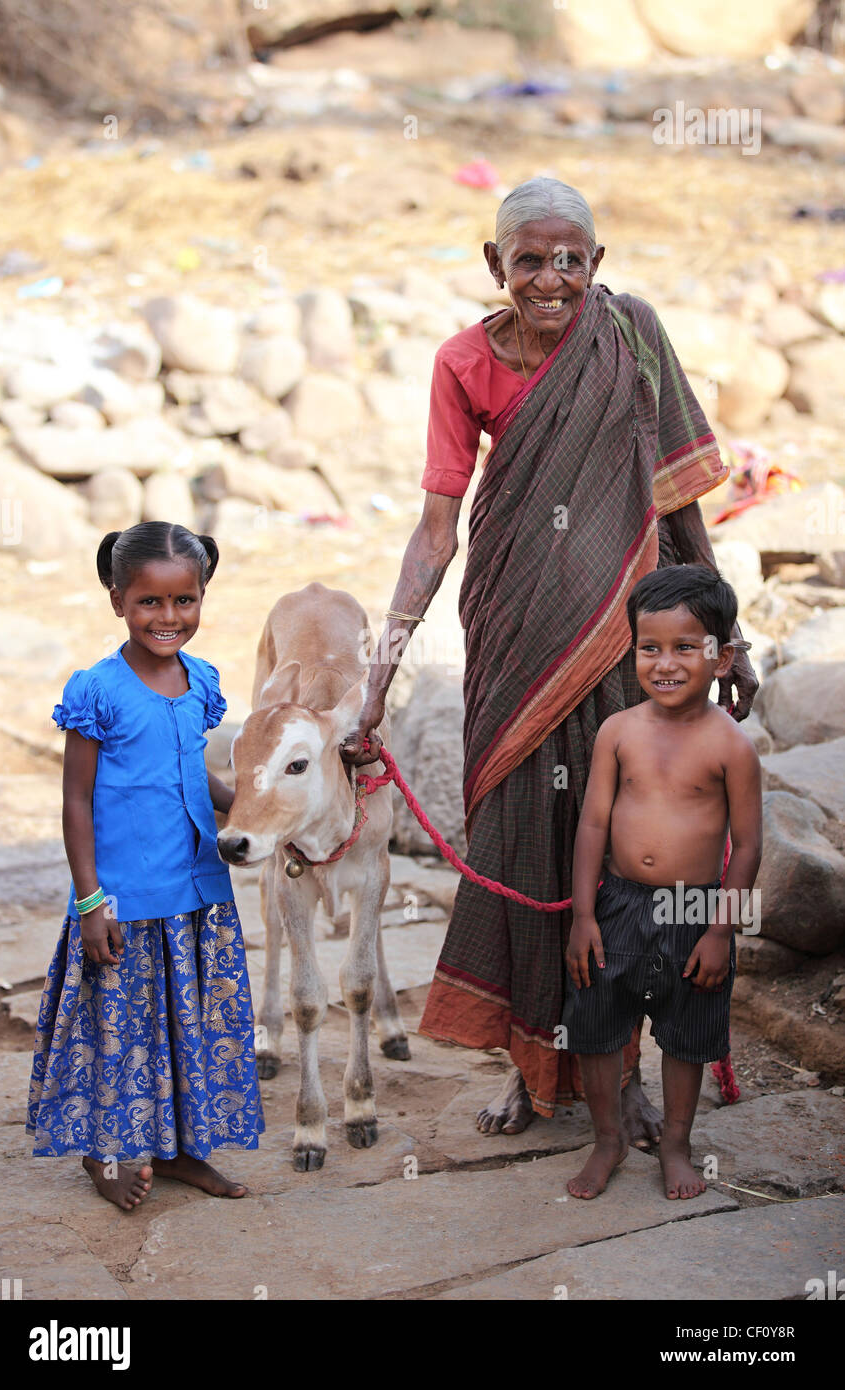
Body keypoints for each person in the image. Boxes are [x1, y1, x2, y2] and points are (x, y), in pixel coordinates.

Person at [341, 176, 758, 1142]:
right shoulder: (462, 363)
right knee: (524, 839)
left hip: (622, 635)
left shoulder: (630, 334)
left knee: (625, 853)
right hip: (515, 633)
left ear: (596, 263)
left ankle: (628, 1075)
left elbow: (677, 498)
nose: (551, 278)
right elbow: (436, 530)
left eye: (571, 259)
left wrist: (726, 632)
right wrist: (380, 674)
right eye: (529, 259)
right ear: (496, 264)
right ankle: (532, 1072)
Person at [27, 522, 265, 1209]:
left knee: (190, 1027)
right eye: (149, 602)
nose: (169, 617)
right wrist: (89, 902)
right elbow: (75, 801)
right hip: (124, 901)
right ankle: (102, 1157)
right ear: (117, 601)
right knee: (119, 1032)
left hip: (197, 890)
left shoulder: (201, 681)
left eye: (184, 600)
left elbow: (195, 775)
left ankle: (181, 1150)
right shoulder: (97, 690)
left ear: (202, 598)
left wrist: (257, 800)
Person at [563, 565, 762, 1199]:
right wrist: (584, 915)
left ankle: (676, 1145)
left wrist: (720, 933)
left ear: (722, 657)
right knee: (597, 1022)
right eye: (650, 647)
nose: (665, 663)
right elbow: (593, 823)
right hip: (617, 903)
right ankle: (607, 1140)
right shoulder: (619, 732)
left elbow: (748, 846)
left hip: (694, 911)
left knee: (687, 1031)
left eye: (685, 647)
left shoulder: (731, 746)